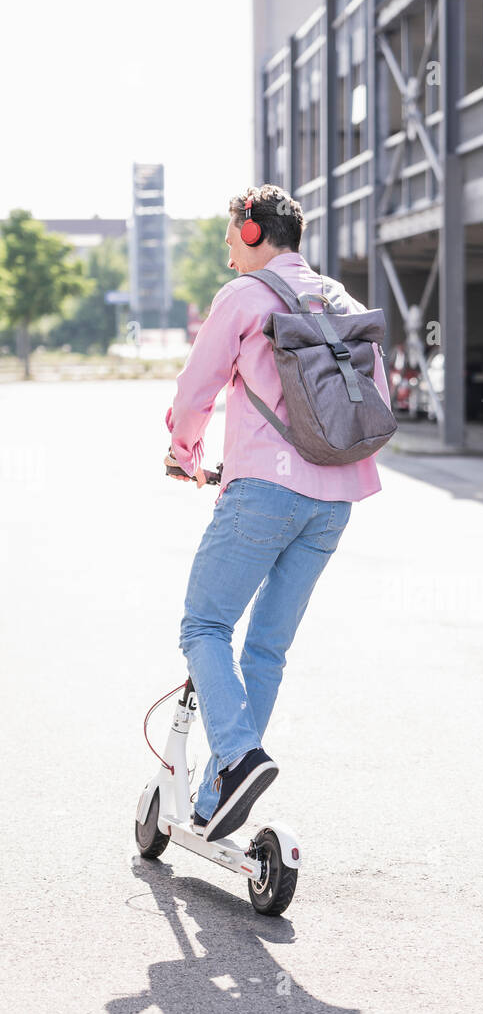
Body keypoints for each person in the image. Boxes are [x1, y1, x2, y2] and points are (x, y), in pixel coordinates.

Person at [164, 184, 389, 842]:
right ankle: (214, 800)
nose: (227, 247)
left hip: (264, 488)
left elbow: (195, 390)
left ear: (256, 232)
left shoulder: (243, 296)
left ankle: (236, 758)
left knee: (204, 627)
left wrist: (184, 452)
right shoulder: (336, 297)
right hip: (337, 497)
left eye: (232, 234)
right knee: (266, 649)